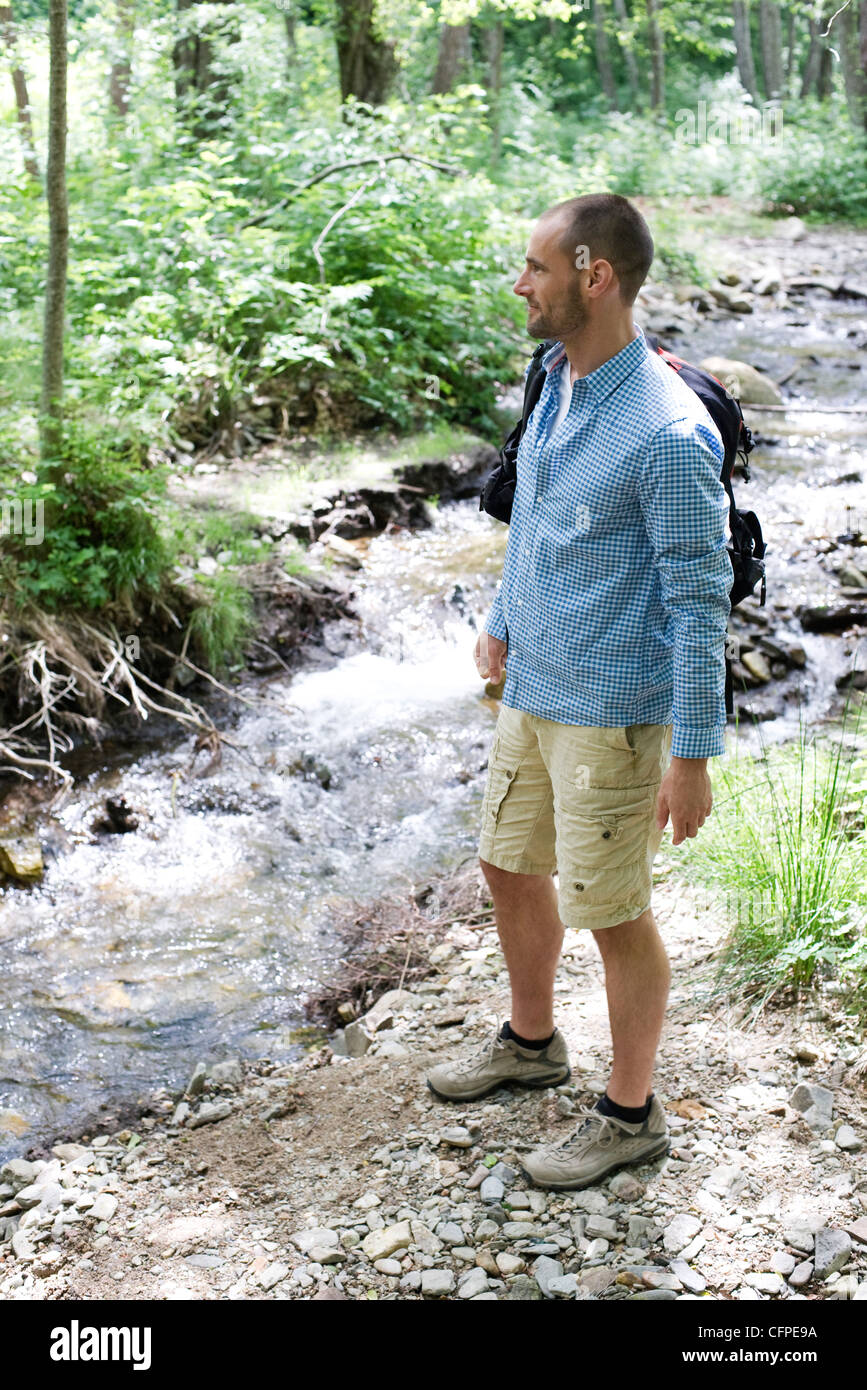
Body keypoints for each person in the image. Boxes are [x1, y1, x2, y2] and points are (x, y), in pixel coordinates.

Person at [426, 193, 732, 1191]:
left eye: (536, 267)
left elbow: (698, 603)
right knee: (507, 865)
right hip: (534, 686)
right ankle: (530, 1041)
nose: (521, 284)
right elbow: (538, 515)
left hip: (614, 710)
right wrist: (504, 619)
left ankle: (630, 1113)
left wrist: (691, 754)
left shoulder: (671, 435)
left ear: (594, 274)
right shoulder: (557, 377)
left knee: (612, 912)